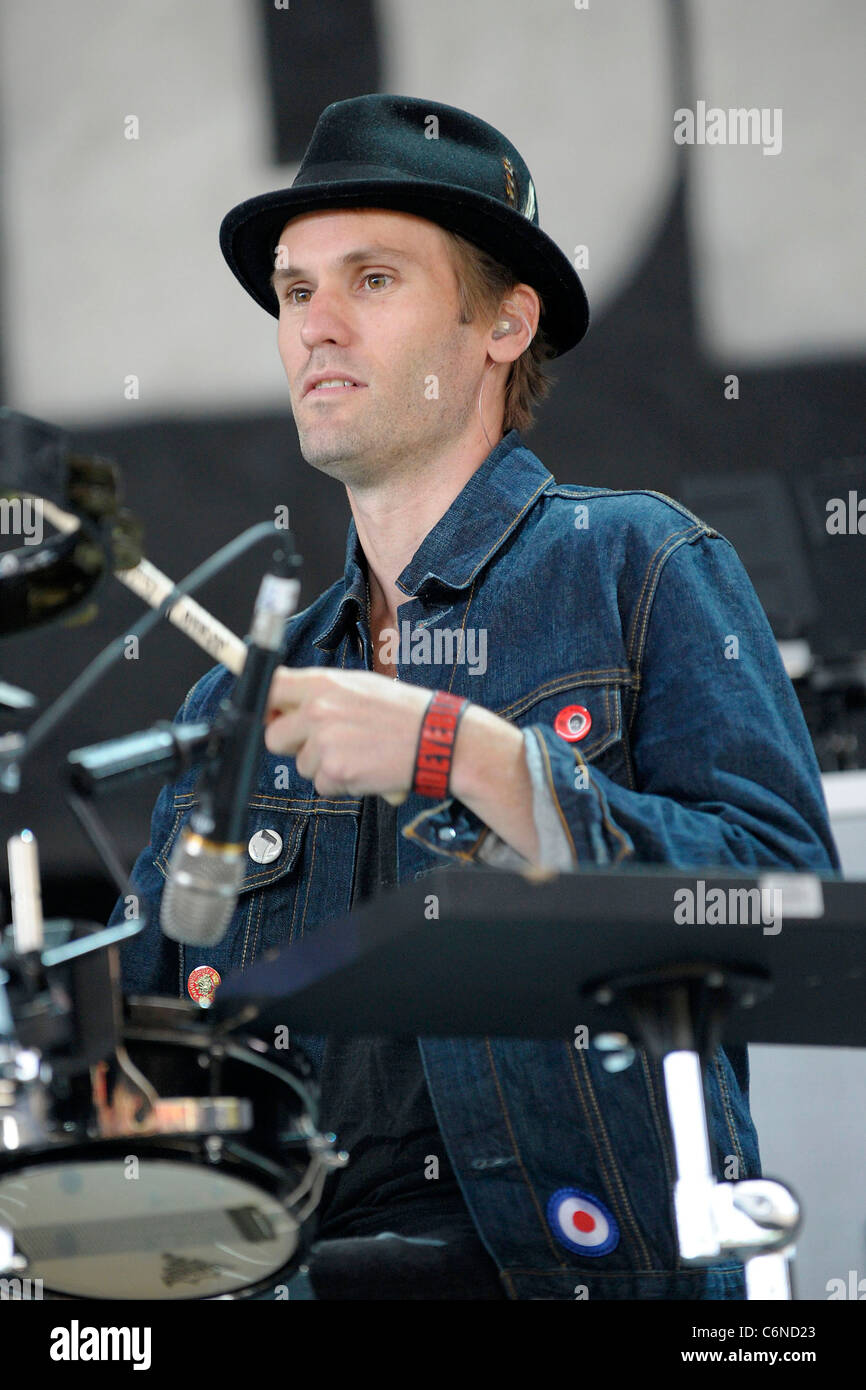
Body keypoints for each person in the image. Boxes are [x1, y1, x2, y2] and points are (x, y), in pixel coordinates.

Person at [114, 94, 840, 1300]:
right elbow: (137, 1037)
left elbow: (786, 915)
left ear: (506, 321)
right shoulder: (240, 695)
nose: (316, 327)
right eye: (295, 292)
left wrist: (468, 754)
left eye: (374, 279)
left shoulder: (638, 563)